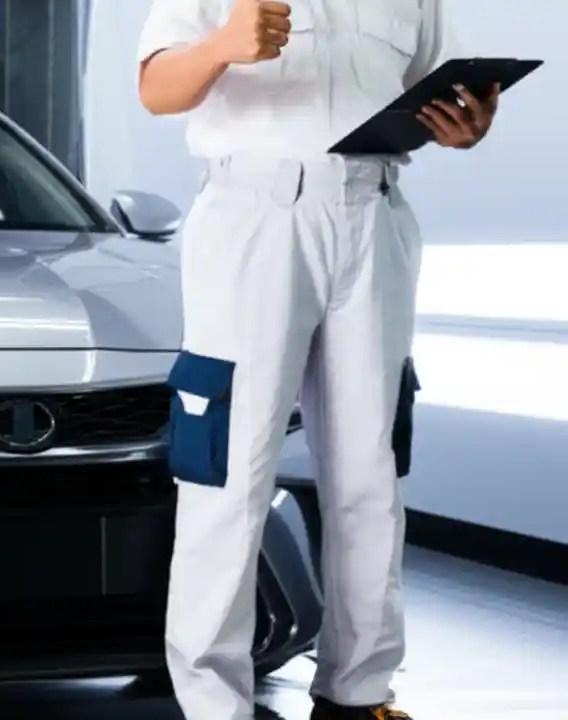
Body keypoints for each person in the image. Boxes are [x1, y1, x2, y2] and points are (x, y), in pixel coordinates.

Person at [134, 1, 499, 719]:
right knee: (228, 468)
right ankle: (215, 705)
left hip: (375, 211)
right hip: (255, 217)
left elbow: (437, 90)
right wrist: (222, 47)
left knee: (371, 471)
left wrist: (468, 124)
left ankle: (359, 693)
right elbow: (156, 90)